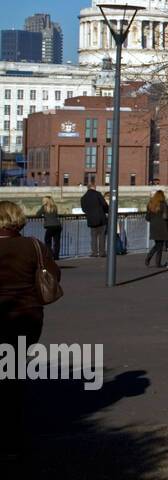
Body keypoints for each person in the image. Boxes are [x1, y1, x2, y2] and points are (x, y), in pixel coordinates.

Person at [0, 200, 61, 460]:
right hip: (27, 318)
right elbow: (54, 274)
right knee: (11, 376)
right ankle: (12, 439)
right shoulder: (34, 246)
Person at [144, 190, 168, 267]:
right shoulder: (163, 204)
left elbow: (147, 217)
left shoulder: (151, 204)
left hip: (154, 226)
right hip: (162, 227)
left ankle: (155, 262)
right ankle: (151, 259)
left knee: (158, 245)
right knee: (159, 245)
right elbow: (166, 217)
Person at [81, 180, 108, 257]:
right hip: (101, 219)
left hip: (91, 220)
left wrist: (89, 214)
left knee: (93, 237)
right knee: (102, 236)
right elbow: (104, 205)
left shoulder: (83, 197)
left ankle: (94, 252)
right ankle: (102, 252)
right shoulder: (98, 194)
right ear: (93, 187)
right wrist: (106, 211)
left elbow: (83, 209)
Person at [35, 196, 61, 260]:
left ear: (46, 201)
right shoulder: (55, 207)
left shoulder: (44, 207)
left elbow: (37, 214)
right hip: (58, 226)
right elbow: (56, 215)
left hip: (50, 226)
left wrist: (43, 215)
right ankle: (56, 256)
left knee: (47, 241)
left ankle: (50, 254)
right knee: (57, 242)